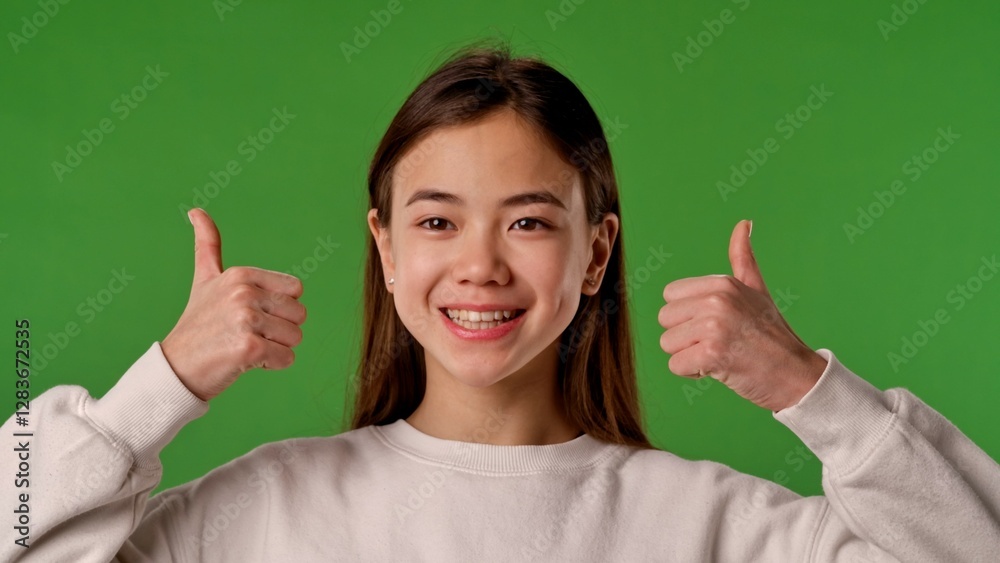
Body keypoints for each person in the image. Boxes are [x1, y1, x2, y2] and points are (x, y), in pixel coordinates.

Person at [3, 41, 999, 562]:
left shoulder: (710, 523)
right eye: (436, 222)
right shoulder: (263, 509)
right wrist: (157, 388)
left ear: (596, 250)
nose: (479, 265)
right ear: (384, 248)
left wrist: (807, 389)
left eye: (527, 221)